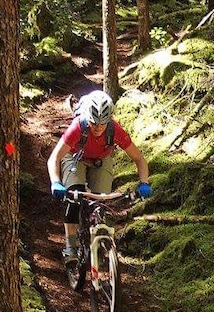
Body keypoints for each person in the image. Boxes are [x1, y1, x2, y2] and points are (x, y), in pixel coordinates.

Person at [47, 89, 152, 261]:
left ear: (109, 120)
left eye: (102, 124)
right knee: (74, 196)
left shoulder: (115, 130)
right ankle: (70, 246)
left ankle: (97, 242)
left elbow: (139, 158)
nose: (97, 128)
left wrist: (144, 182)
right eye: (93, 123)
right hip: (75, 157)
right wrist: (56, 182)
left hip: (101, 160)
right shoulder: (77, 127)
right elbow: (55, 157)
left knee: (100, 201)